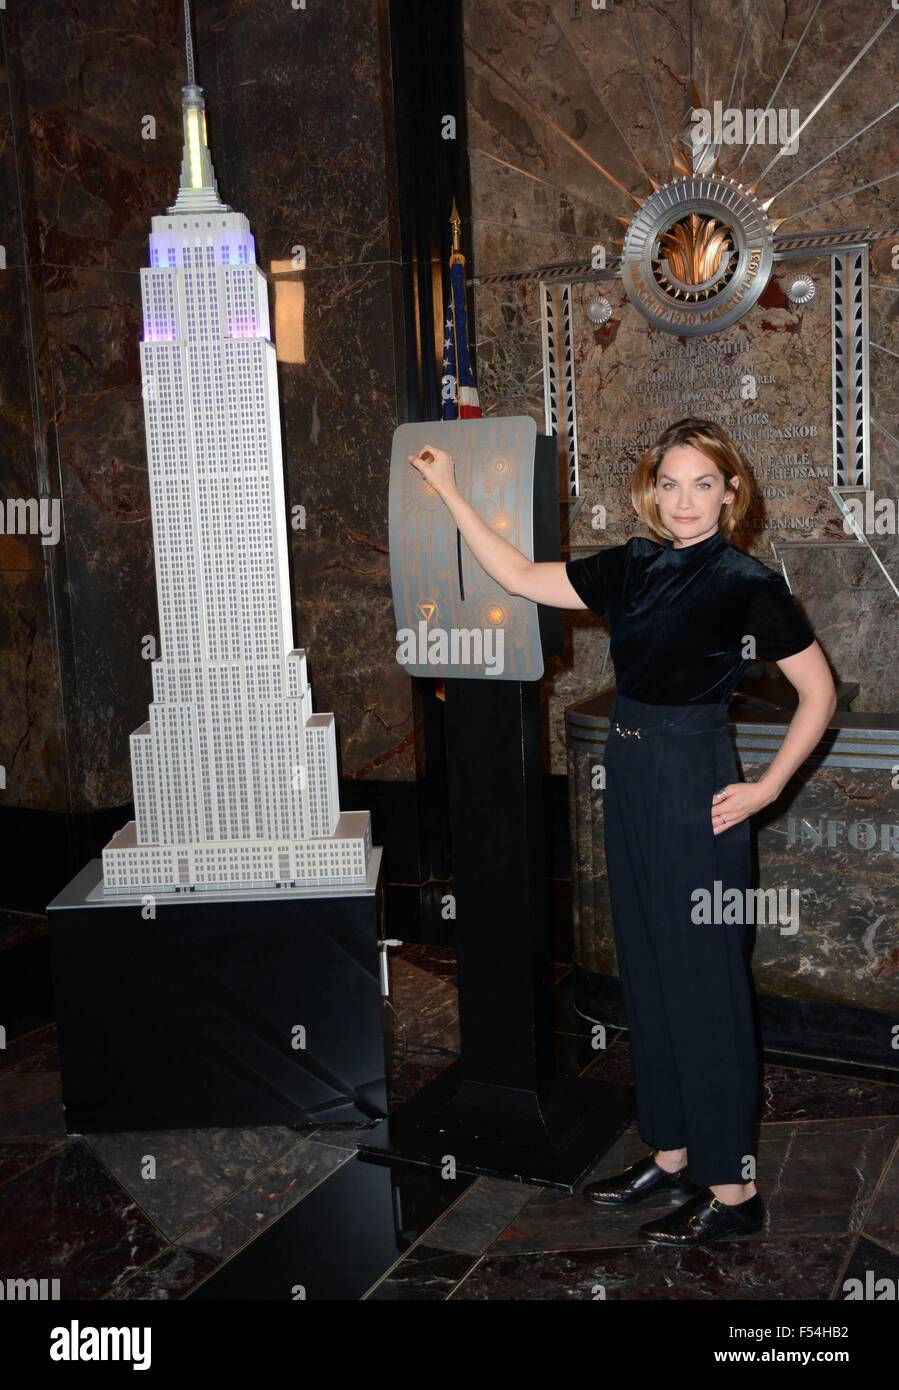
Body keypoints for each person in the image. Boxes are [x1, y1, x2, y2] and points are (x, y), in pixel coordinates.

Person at [407, 416, 838, 1247]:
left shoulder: (747, 582)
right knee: (646, 971)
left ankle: (735, 1195)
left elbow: (815, 694)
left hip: (695, 782)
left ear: (731, 491)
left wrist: (765, 789)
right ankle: (671, 1157)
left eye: (702, 484)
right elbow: (524, 576)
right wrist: (450, 491)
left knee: (704, 987)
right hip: (633, 775)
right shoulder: (633, 565)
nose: (684, 500)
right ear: (652, 489)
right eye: (670, 483)